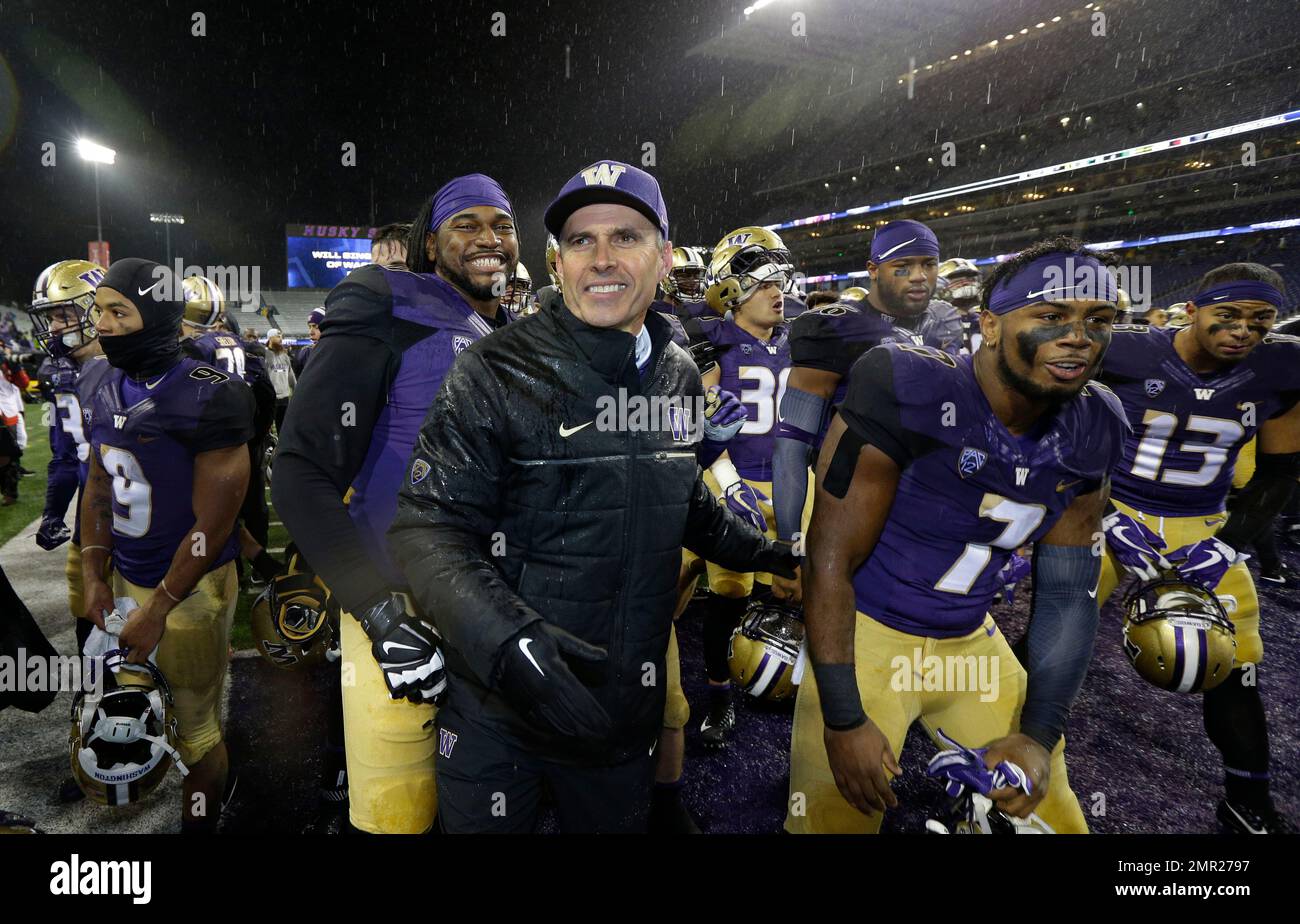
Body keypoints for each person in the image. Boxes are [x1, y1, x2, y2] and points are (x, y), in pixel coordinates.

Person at [389, 160, 796, 833]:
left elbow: (680, 498)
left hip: (618, 711)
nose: (602, 259)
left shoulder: (677, 374)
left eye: (626, 237)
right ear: (556, 261)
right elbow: (425, 531)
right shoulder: (493, 368)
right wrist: (512, 649)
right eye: (582, 240)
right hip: (498, 711)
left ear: (664, 256)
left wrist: (773, 554)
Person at [789, 238, 1127, 834]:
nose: (1078, 336)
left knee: (1057, 820)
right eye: (1051, 316)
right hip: (869, 633)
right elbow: (830, 561)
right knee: (831, 823)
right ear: (991, 325)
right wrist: (843, 718)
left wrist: (1039, 735)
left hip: (972, 638)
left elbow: (1069, 596)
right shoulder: (909, 387)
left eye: (1098, 320)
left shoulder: (1095, 423)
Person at [273, 174, 519, 834]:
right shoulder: (387, 301)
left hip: (500, 610)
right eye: (467, 224)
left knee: (486, 812)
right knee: (395, 817)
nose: (489, 237)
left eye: (503, 224)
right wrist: (380, 613)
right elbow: (300, 472)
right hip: (400, 602)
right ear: (429, 244)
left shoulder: (522, 332)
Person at [1096, 262, 1300, 833]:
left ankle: (1248, 800)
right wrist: (1103, 513)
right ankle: (1004, 743)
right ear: (1193, 311)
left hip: (1202, 521)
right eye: (1228, 315)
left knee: (1233, 662)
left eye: (1260, 321)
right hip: (1113, 505)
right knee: (1056, 629)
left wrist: (1229, 544)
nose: (1243, 330)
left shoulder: (1282, 367)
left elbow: (1280, 472)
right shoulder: (1125, 350)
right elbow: (1062, 424)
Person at [79, 258, 254, 832]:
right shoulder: (100, 380)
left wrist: (158, 608)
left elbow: (215, 523)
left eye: (118, 311)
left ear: (155, 317)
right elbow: (99, 482)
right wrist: (94, 571)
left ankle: (202, 821)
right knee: (124, 710)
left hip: (191, 586)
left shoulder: (210, 394)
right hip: (129, 570)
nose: (101, 323)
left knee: (196, 730)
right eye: (99, 310)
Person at [771, 219, 962, 606]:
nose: (919, 277)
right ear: (873, 270)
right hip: (849, 507)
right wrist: (789, 545)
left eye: (928, 264)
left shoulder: (943, 326)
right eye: (903, 266)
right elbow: (792, 442)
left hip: (923, 512)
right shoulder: (834, 328)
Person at [690, 226, 805, 748]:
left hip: (792, 482)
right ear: (730, 288)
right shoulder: (708, 342)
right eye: (763, 283)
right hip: (732, 479)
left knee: (803, 585)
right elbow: (701, 424)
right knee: (728, 592)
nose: (777, 291)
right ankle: (717, 696)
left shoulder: (803, 338)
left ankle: (796, 671)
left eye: (781, 279)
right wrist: (729, 485)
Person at [263, 328, 296, 433]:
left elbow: (290, 375)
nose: (281, 339)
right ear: (270, 338)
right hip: (271, 397)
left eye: (281, 336)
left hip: (285, 397)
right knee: (267, 426)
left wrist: (297, 389)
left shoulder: (284, 355)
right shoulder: (265, 355)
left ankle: (280, 447)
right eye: (278, 336)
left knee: (282, 427)